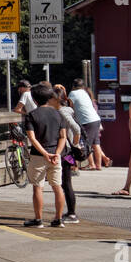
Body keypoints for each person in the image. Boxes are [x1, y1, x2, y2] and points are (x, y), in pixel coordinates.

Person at [22, 82, 66, 228]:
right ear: (49, 97)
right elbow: (63, 137)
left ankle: (38, 219)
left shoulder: (31, 115)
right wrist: (56, 153)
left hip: (38, 155)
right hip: (56, 155)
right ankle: (58, 219)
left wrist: (45, 153)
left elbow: (32, 138)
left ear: (34, 100)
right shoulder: (58, 114)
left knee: (37, 186)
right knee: (57, 186)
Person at [52, 84, 82, 224]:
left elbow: (76, 129)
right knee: (66, 182)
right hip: (68, 152)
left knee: (66, 183)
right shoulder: (69, 109)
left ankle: (71, 214)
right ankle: (70, 212)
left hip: (66, 151)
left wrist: (74, 144)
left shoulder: (63, 112)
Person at [69, 79, 109, 170]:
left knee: (84, 144)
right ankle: (98, 165)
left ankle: (75, 165)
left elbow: (69, 107)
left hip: (86, 121)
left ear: (73, 86)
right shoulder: (84, 93)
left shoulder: (72, 94)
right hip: (96, 120)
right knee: (95, 143)